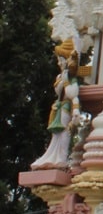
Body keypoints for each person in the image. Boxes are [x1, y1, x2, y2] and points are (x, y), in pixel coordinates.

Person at [31, 41, 84, 169]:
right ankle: (51, 156)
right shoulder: (61, 76)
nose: (59, 63)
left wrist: (76, 111)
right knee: (56, 133)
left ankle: (61, 157)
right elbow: (59, 92)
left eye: (61, 60)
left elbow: (73, 94)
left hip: (66, 108)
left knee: (65, 131)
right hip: (58, 108)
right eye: (58, 60)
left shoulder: (70, 78)